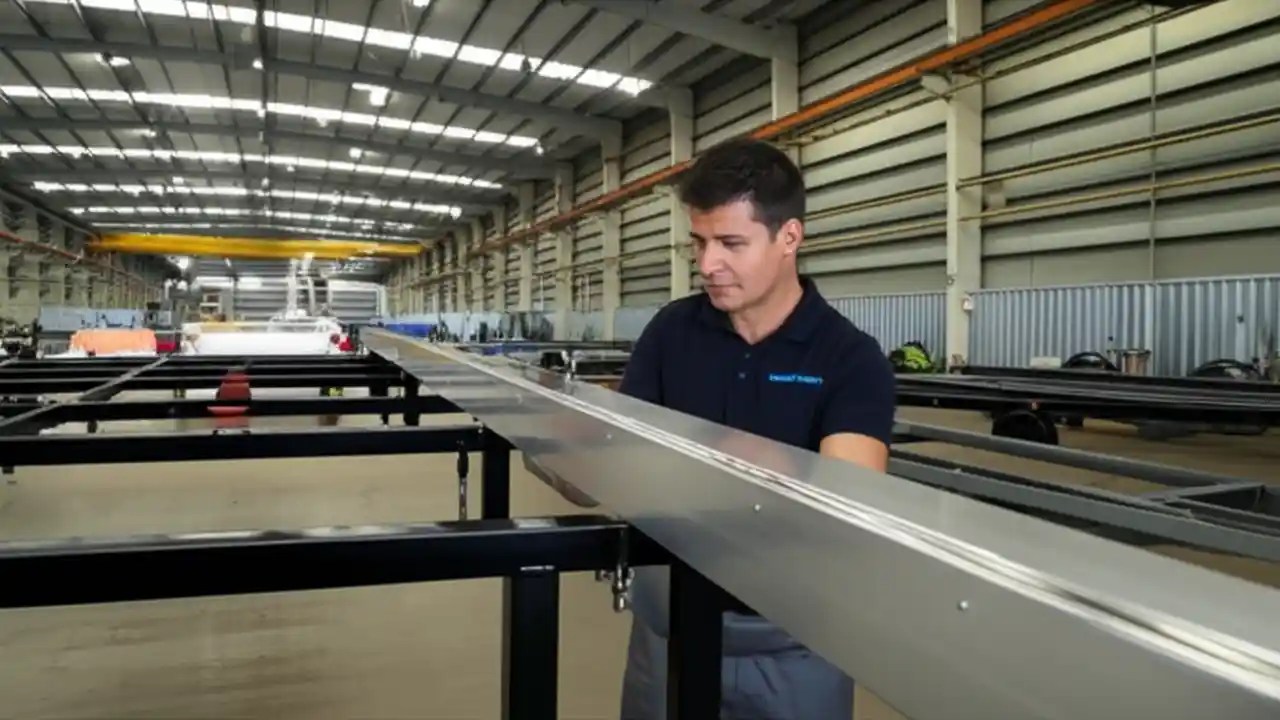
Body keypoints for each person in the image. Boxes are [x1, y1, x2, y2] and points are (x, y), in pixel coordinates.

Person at [615, 137, 897, 719]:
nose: (706, 263)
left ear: (788, 237)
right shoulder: (671, 333)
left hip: (792, 646)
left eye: (730, 243)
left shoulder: (849, 357)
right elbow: (617, 460)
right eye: (699, 241)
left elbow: (845, 500)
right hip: (666, 629)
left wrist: (686, 460)